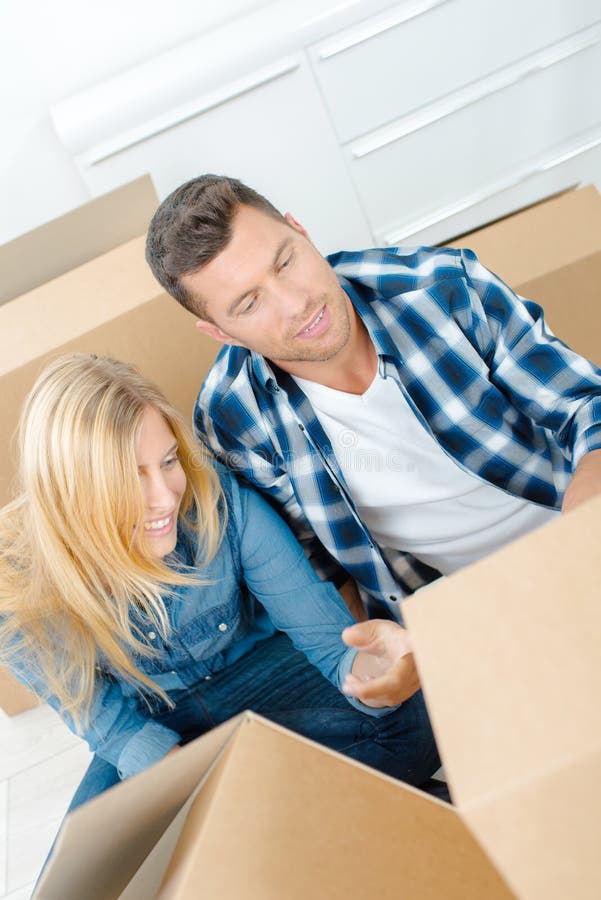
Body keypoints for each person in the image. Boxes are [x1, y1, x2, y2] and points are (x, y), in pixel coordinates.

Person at [145, 174, 601, 707]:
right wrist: (383, 658)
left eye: (285, 261)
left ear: (301, 231)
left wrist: (580, 540)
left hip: (577, 524)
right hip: (463, 614)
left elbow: (584, 406)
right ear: (221, 333)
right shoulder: (233, 417)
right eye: (249, 304)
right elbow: (321, 564)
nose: (295, 304)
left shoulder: (442, 287)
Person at [0, 353, 446, 819]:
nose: (165, 498)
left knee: (417, 721)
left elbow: (329, 645)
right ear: (69, 491)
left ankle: (283, 831)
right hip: (152, 716)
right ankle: (322, 818)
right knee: (94, 862)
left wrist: (378, 671)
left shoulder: (220, 501)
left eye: (168, 461)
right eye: (130, 476)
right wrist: (192, 793)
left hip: (264, 673)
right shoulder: (16, 589)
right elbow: (113, 730)